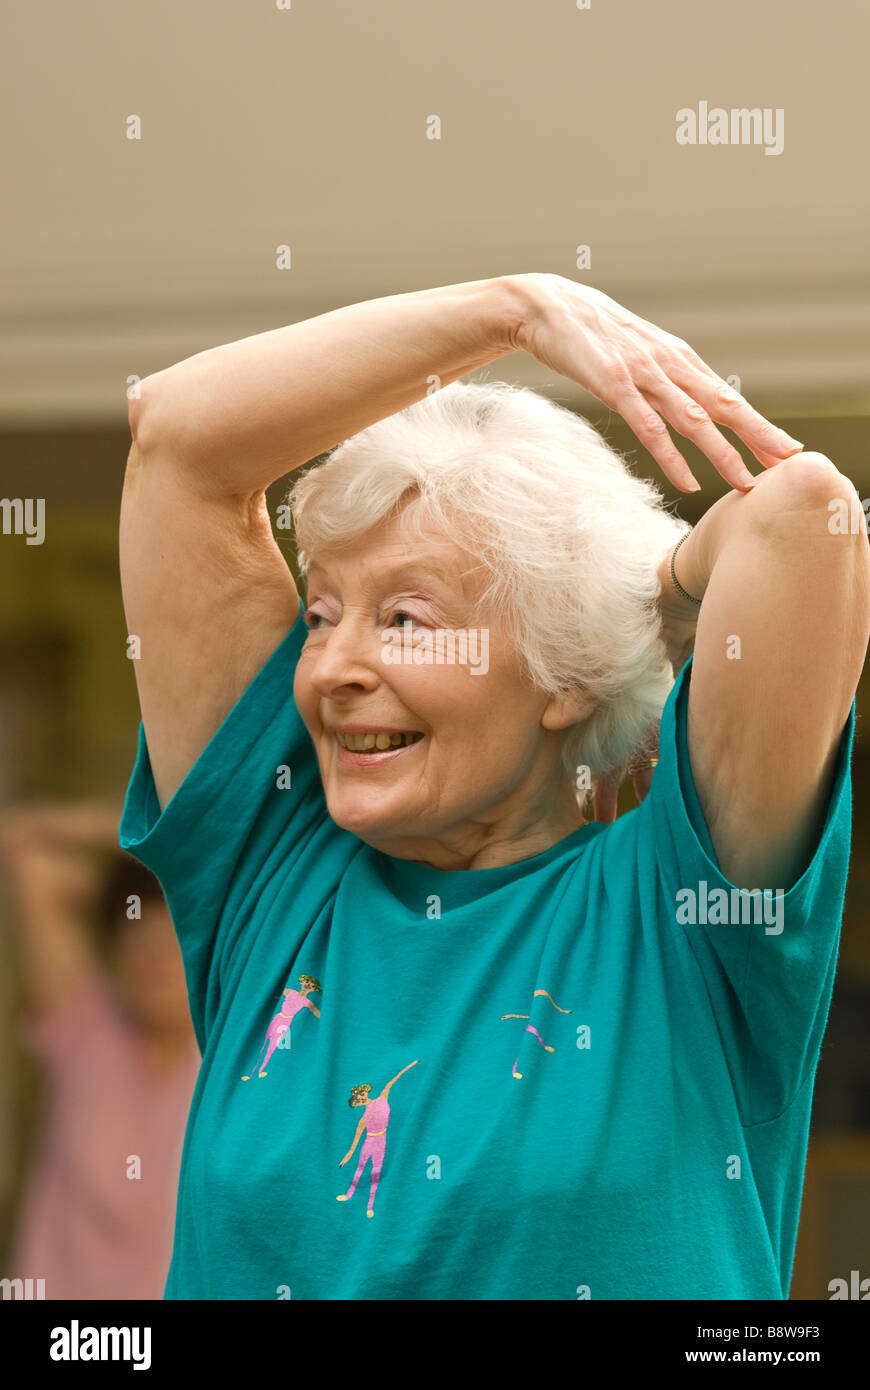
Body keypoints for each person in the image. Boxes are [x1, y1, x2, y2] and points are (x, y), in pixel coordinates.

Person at [118, 273, 868, 1299]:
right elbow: (178, 437)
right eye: (323, 611)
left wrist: (624, 598)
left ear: (559, 674)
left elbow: (805, 514)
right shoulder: (269, 862)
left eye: (407, 620)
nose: (332, 667)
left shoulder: (680, 912)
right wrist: (511, 309)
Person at [0, 802, 199, 1299]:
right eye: (136, 931)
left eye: (171, 933)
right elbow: (32, 860)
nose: (150, 953)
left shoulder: (234, 1060)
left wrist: (181, 874)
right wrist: (133, 875)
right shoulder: (87, 1028)